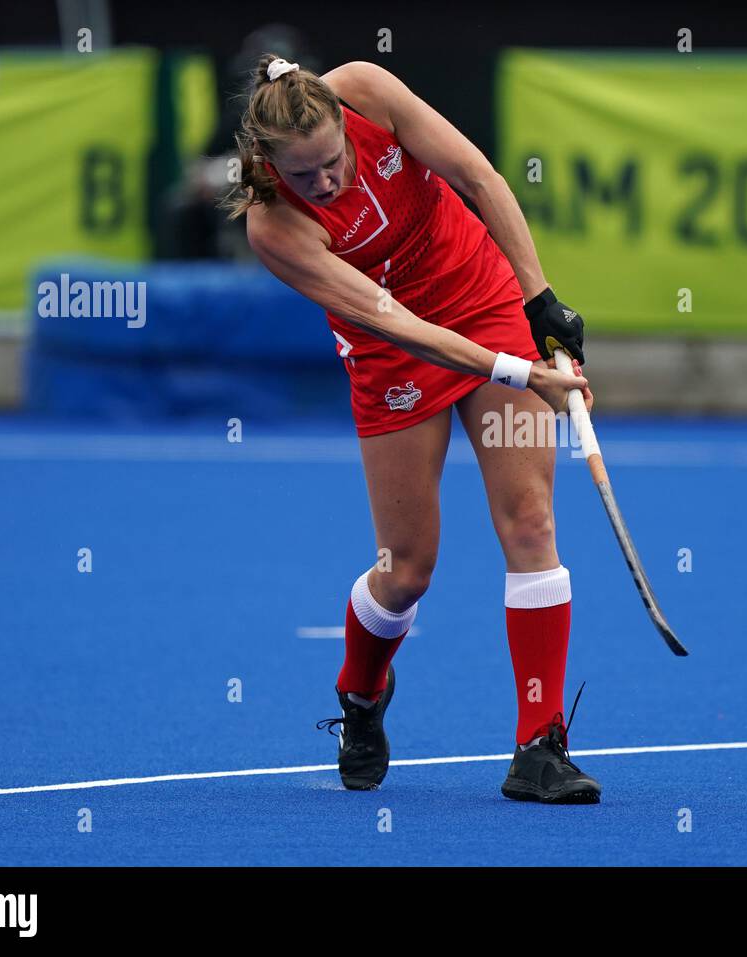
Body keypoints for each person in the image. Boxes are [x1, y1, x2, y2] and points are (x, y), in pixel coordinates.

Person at [222, 55, 600, 803]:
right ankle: (362, 695)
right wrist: (525, 374)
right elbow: (403, 325)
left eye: (334, 162)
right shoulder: (274, 228)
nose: (326, 183)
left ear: (343, 124)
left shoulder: (365, 88)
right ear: (270, 167)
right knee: (407, 570)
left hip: (482, 294)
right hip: (394, 349)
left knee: (530, 521)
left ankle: (539, 745)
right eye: (305, 177)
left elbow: (481, 178)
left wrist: (541, 301)